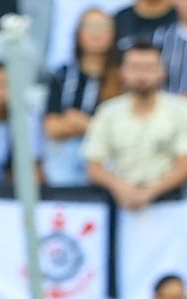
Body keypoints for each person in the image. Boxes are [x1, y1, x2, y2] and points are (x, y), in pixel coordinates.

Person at [84, 41, 187, 211]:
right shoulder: (107, 111)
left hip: (171, 203)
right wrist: (119, 187)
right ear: (122, 71)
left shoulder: (180, 108)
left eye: (149, 68)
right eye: (135, 68)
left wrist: (152, 191)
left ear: (162, 71)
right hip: (120, 202)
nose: (142, 75)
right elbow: (94, 166)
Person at [43, 8, 124, 187]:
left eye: (103, 27)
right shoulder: (62, 75)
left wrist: (79, 122)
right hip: (66, 160)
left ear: (113, 34)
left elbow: (122, 130)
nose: (96, 33)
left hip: (110, 160)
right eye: (90, 26)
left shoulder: (122, 77)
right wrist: (96, 127)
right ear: (78, 34)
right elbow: (52, 127)